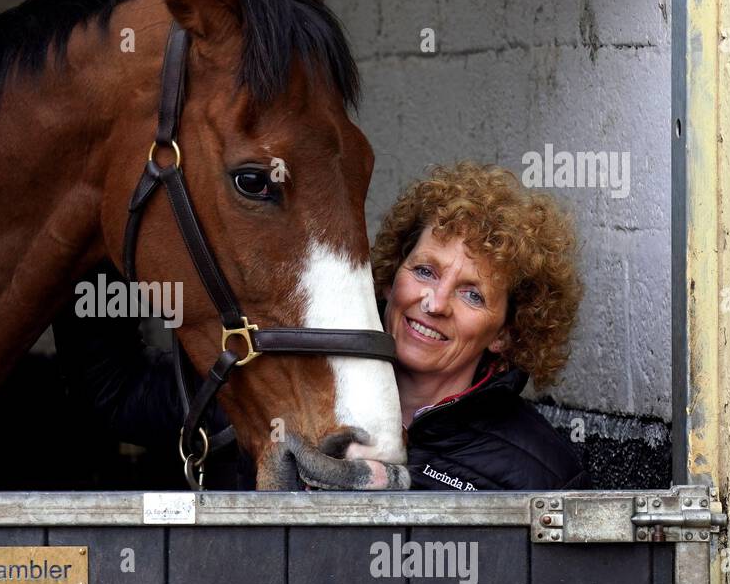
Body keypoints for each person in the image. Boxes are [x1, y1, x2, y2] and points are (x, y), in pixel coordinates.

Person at [53, 162, 590, 491]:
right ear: (388, 278)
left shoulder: (541, 472)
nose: (435, 301)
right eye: (423, 270)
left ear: (506, 332)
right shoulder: (277, 383)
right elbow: (116, 395)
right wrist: (92, 231)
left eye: (472, 293)